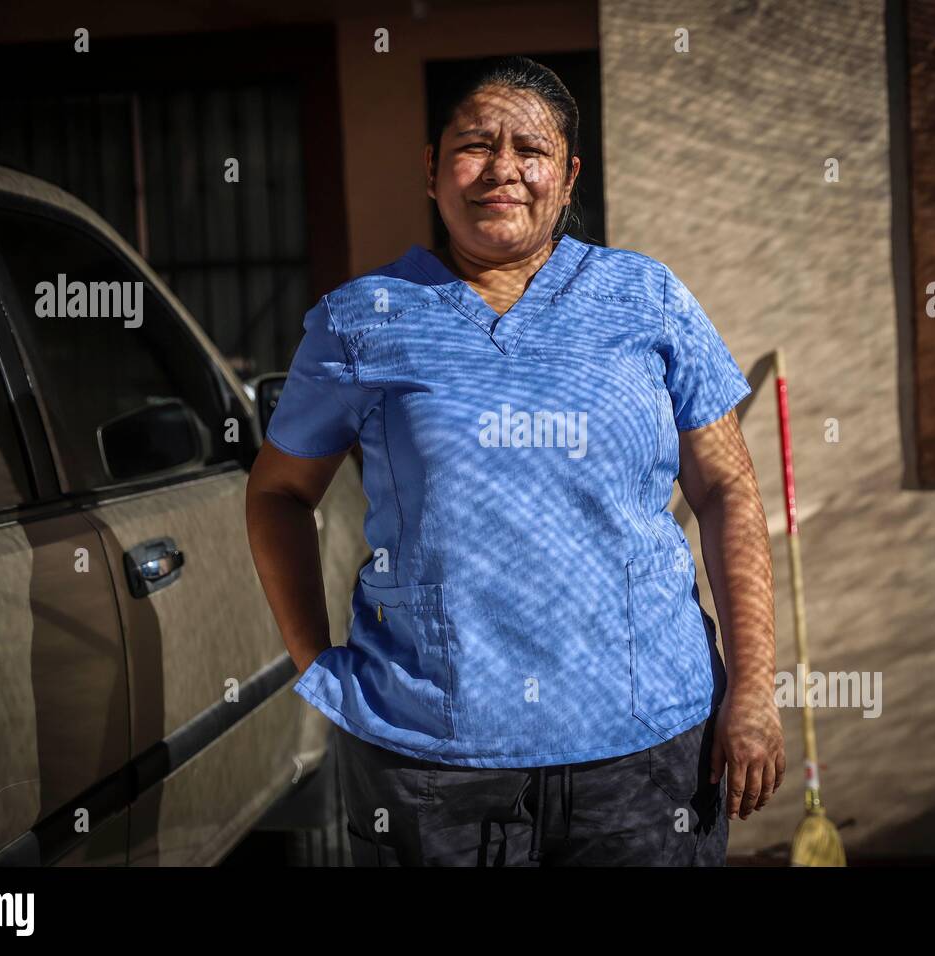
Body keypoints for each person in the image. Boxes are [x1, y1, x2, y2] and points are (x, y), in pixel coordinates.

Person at [245, 55, 782, 866]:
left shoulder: (646, 298)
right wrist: (319, 663)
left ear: (567, 178)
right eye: (473, 145)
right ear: (433, 171)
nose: (502, 169)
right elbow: (279, 493)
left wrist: (753, 689)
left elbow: (727, 490)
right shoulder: (363, 320)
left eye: (529, 150)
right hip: (431, 760)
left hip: (644, 752)